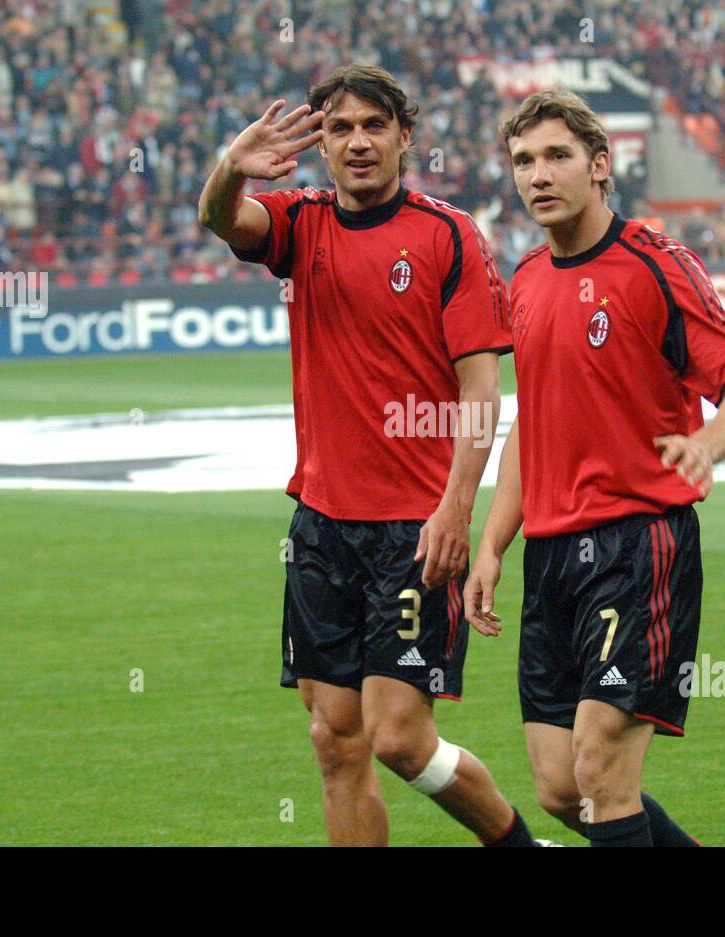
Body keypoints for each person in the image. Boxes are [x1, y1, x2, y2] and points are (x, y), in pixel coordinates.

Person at [199, 64, 540, 846]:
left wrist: (458, 505)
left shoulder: (447, 235)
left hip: (411, 531)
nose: (358, 142)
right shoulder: (301, 224)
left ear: (404, 137)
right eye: (341, 128)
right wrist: (229, 167)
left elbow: (480, 388)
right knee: (333, 740)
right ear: (321, 142)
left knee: (397, 736)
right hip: (321, 526)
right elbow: (223, 219)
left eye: (374, 126)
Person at [466, 90, 725, 846]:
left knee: (603, 769)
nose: (538, 175)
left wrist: (707, 442)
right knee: (561, 788)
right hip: (551, 558)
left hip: (638, 547)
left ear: (600, 165)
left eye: (557, 156)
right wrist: (491, 544)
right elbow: (530, 429)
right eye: (523, 161)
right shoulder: (529, 281)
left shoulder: (657, 265)